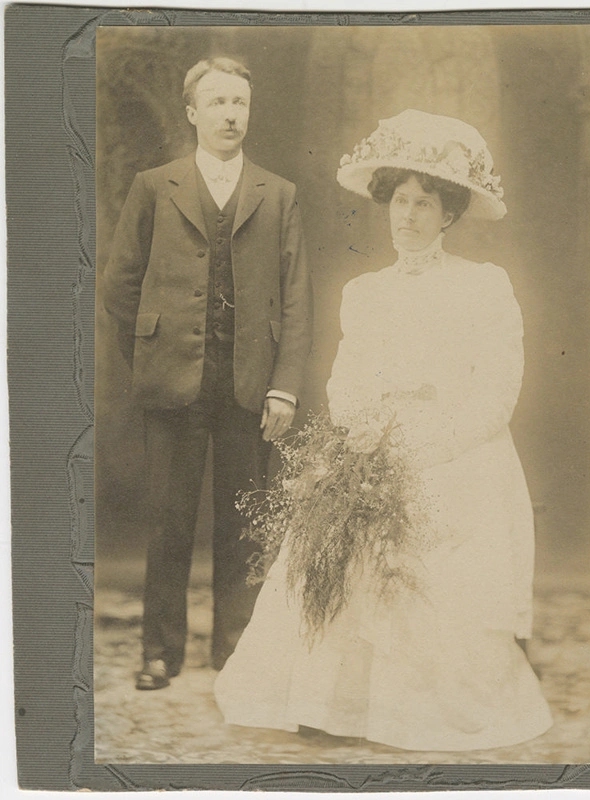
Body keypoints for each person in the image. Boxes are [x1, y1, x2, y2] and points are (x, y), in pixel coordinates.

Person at [214, 109, 552, 751]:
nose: (410, 216)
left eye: (425, 203)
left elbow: (497, 394)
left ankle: (419, 706)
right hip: (375, 441)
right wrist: (362, 432)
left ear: (449, 214)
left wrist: (429, 448)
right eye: (401, 200)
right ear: (386, 205)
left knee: (432, 543)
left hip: (459, 449)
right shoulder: (365, 291)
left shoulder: (485, 286)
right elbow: (347, 379)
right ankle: (327, 698)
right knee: (340, 529)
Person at [102, 57, 313, 690]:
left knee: (243, 519)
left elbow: (296, 297)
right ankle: (160, 652)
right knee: (169, 521)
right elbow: (119, 287)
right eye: (217, 102)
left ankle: (236, 648)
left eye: (240, 103)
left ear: (250, 111)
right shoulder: (154, 186)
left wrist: (285, 385)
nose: (230, 114)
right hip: (173, 384)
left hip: (251, 384)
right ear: (192, 112)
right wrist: (150, 358)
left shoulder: (278, 194)